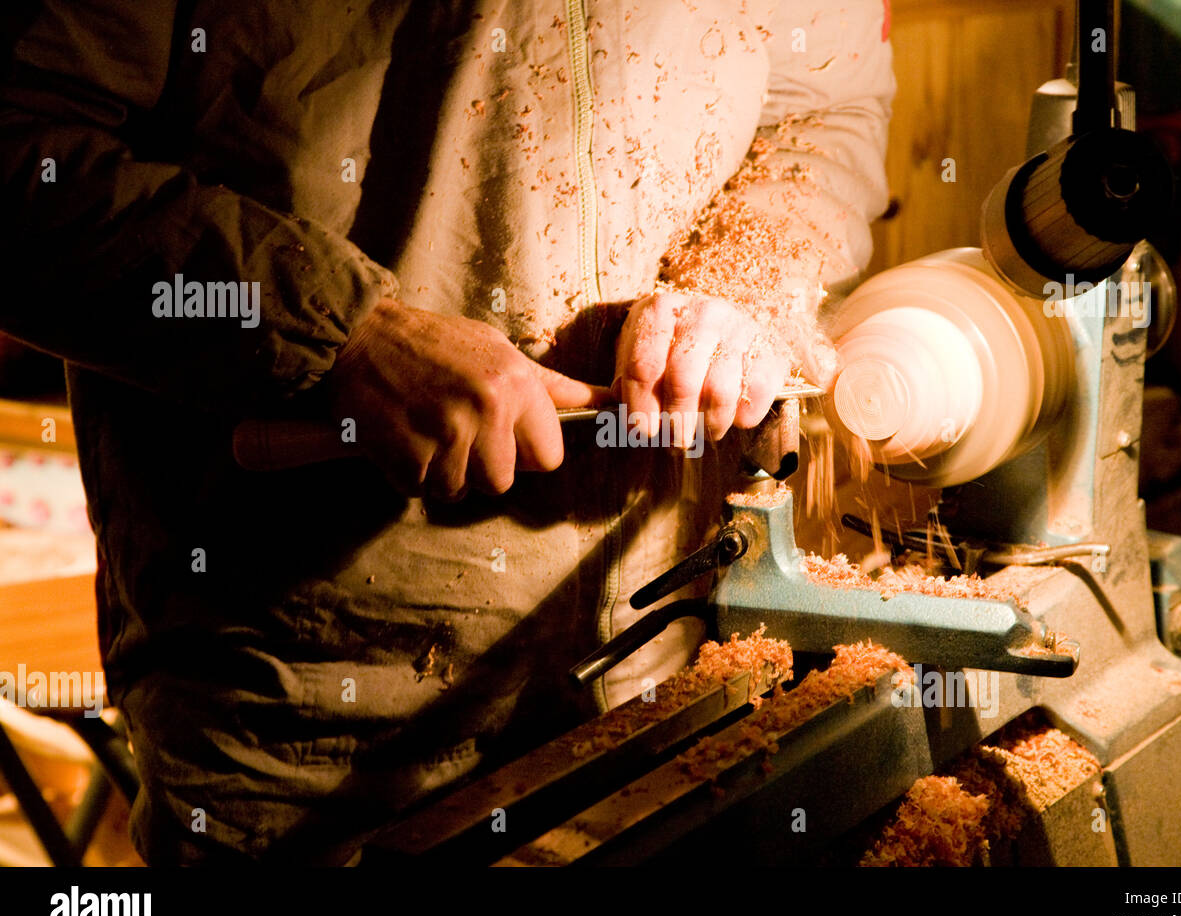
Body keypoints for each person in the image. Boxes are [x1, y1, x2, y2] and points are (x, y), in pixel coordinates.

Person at [0, 0, 894, 863]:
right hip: (320, 711)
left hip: (671, 651)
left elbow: (827, 108)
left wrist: (740, 276)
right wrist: (339, 334)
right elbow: (21, 154)